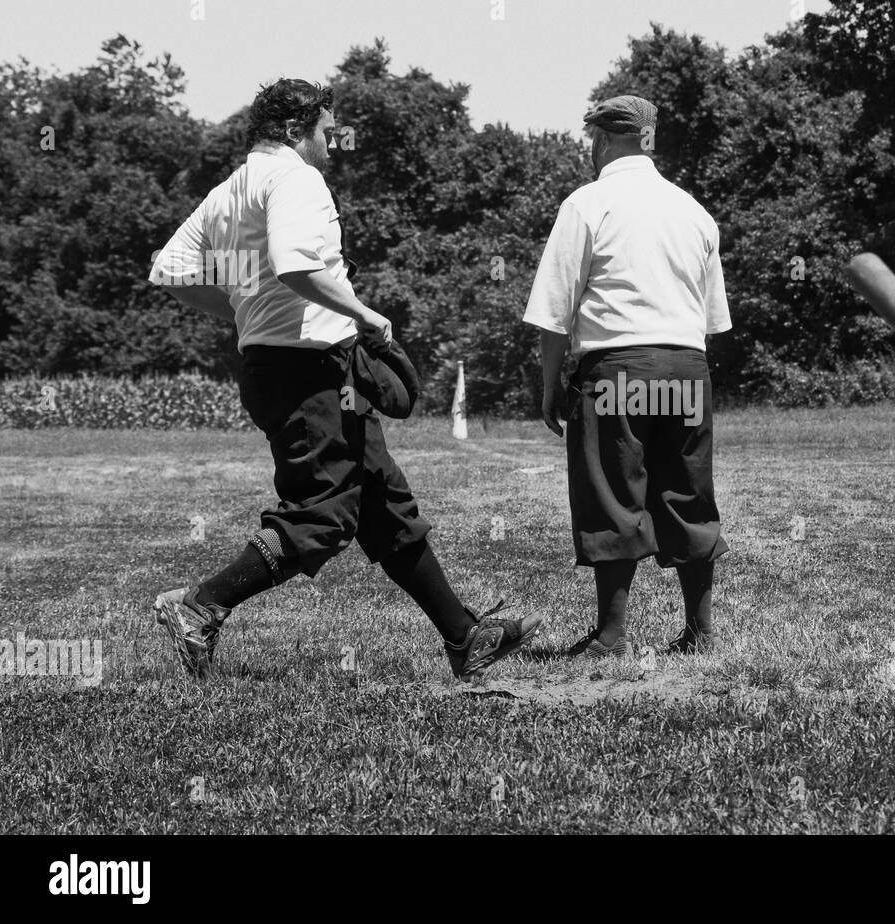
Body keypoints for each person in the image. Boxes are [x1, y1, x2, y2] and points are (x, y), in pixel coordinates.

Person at [147, 78, 540, 680]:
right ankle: (202, 606)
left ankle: (465, 638)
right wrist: (364, 313)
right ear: (294, 131)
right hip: (308, 371)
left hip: (287, 365)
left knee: (385, 506)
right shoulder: (294, 177)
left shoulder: (230, 190)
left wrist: (241, 309)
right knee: (323, 516)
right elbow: (297, 265)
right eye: (327, 132)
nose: (333, 144)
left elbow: (169, 270)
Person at [523, 95, 731, 657]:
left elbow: (553, 310)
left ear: (601, 138)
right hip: (686, 366)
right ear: (649, 138)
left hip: (617, 368)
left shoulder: (587, 204)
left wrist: (550, 386)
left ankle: (612, 636)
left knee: (613, 492)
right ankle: (700, 631)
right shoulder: (694, 210)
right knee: (687, 492)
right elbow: (712, 319)